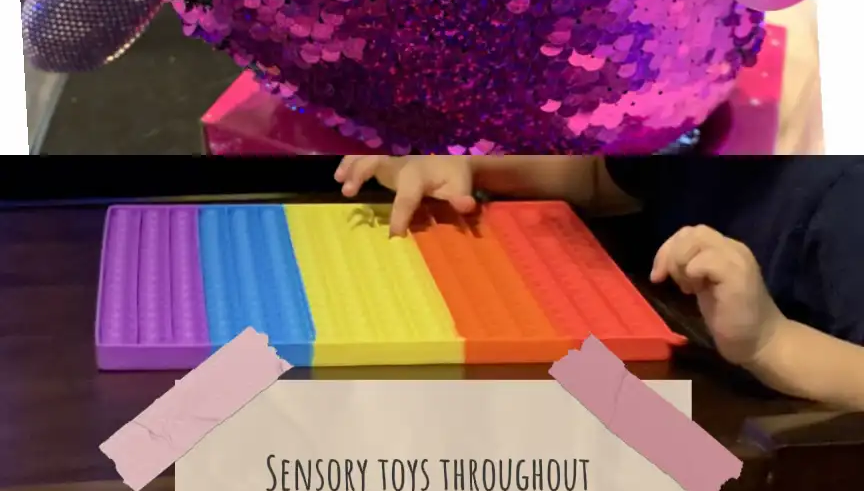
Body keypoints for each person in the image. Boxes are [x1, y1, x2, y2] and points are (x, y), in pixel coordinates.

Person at [335, 154, 864, 411]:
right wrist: (464, 162)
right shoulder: (707, 110)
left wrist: (771, 341)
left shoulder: (846, 197)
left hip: (763, 437)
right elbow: (598, 179)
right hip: (650, 348)